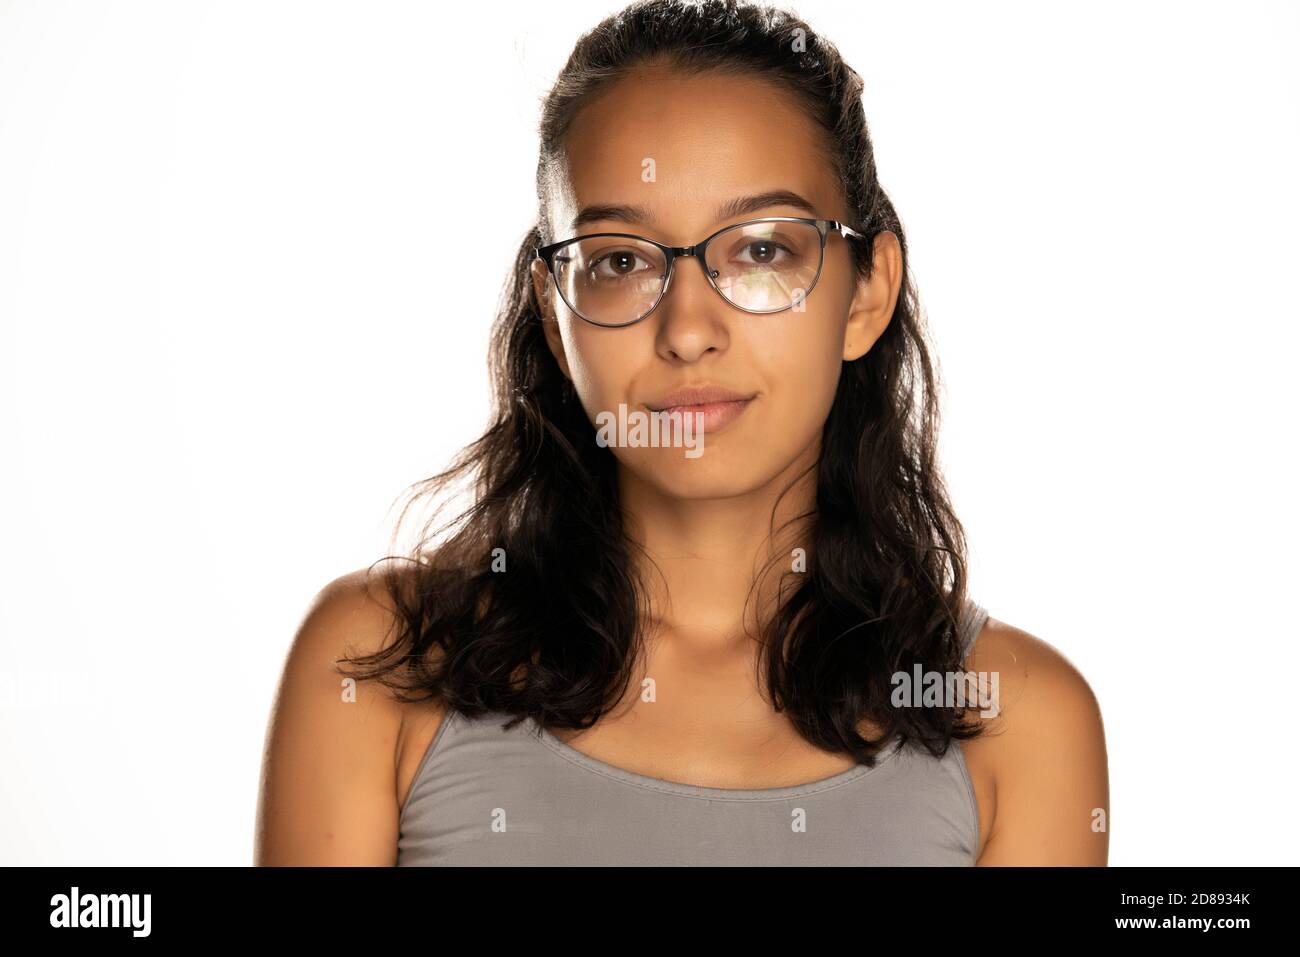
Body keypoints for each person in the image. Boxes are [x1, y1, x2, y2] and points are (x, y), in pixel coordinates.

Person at [255, 0, 1108, 866]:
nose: (689, 328)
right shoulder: (376, 666)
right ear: (556, 315)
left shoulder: (1019, 723)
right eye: (622, 260)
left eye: (762, 251)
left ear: (867, 293)